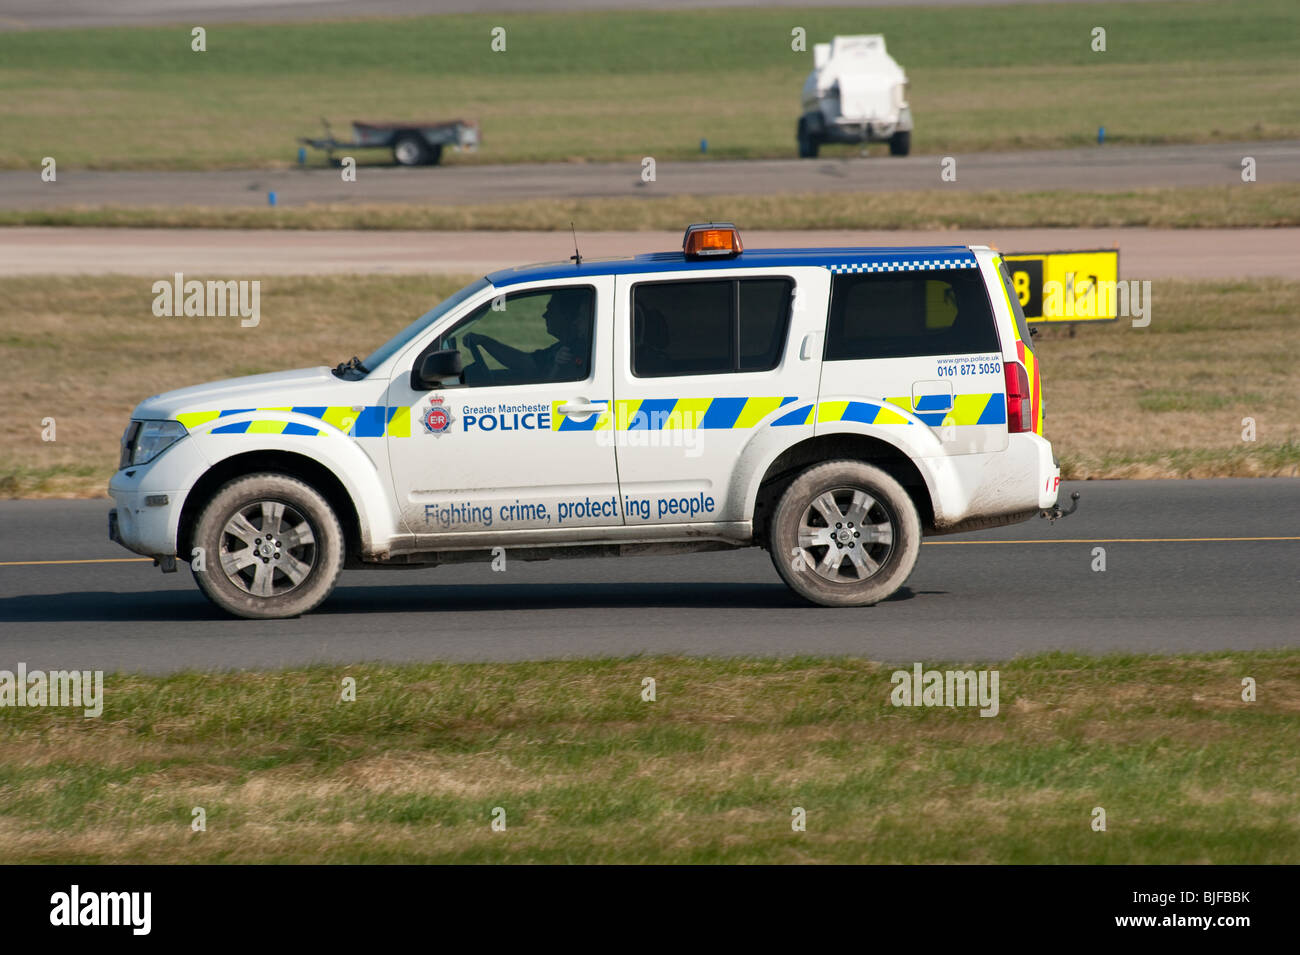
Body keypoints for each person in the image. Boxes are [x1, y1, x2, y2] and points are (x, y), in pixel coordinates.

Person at [463, 289, 591, 383]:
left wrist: (557, 366)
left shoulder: (578, 352)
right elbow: (527, 363)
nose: (544, 315)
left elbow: (550, 390)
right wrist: (485, 341)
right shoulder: (564, 347)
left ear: (567, 317)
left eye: (551, 310)